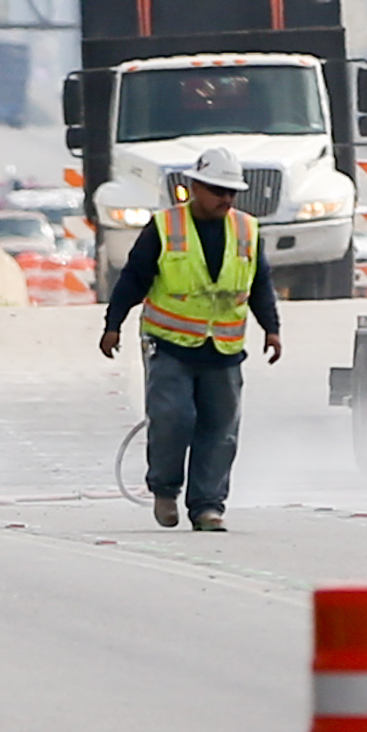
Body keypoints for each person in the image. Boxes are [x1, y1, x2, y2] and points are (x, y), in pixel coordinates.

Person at [99, 146, 282, 532]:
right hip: (169, 345)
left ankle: (207, 506)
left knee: (220, 428)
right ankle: (165, 491)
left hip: (224, 349)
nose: (225, 199)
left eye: (231, 192)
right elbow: (134, 278)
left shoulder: (247, 230)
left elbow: (260, 284)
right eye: (217, 190)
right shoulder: (165, 227)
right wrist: (113, 323)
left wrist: (272, 329)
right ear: (194, 187)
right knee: (173, 418)